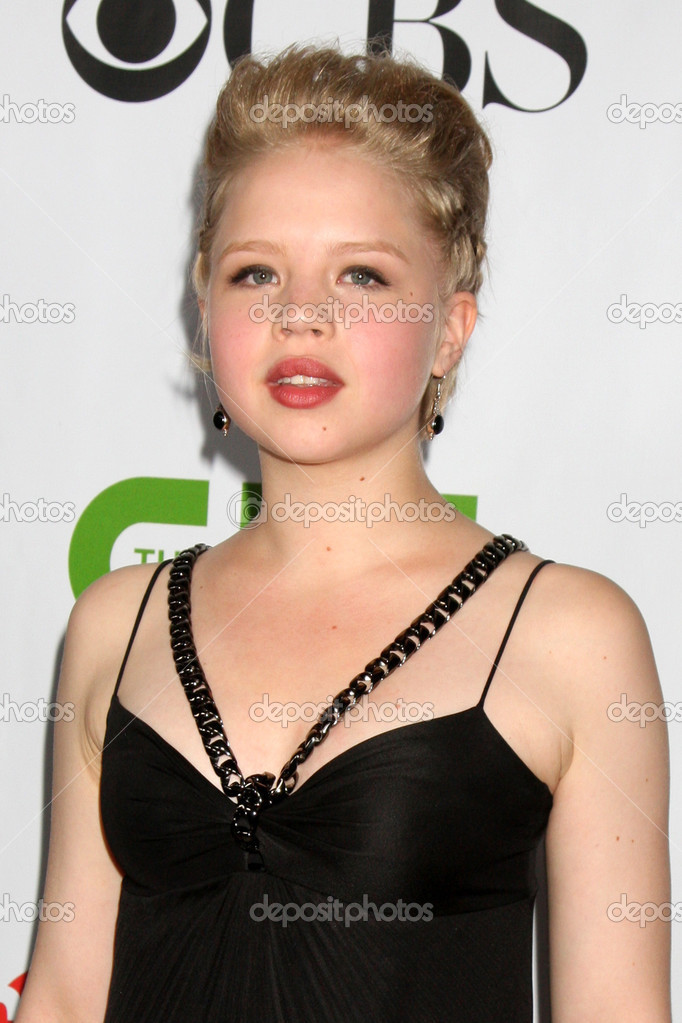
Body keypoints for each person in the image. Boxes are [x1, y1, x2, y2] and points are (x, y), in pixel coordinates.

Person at [16, 42, 670, 1023]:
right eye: (255, 273)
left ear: (450, 328)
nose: (300, 315)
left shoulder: (570, 634)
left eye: (361, 275)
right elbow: (65, 997)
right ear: (204, 306)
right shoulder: (117, 622)